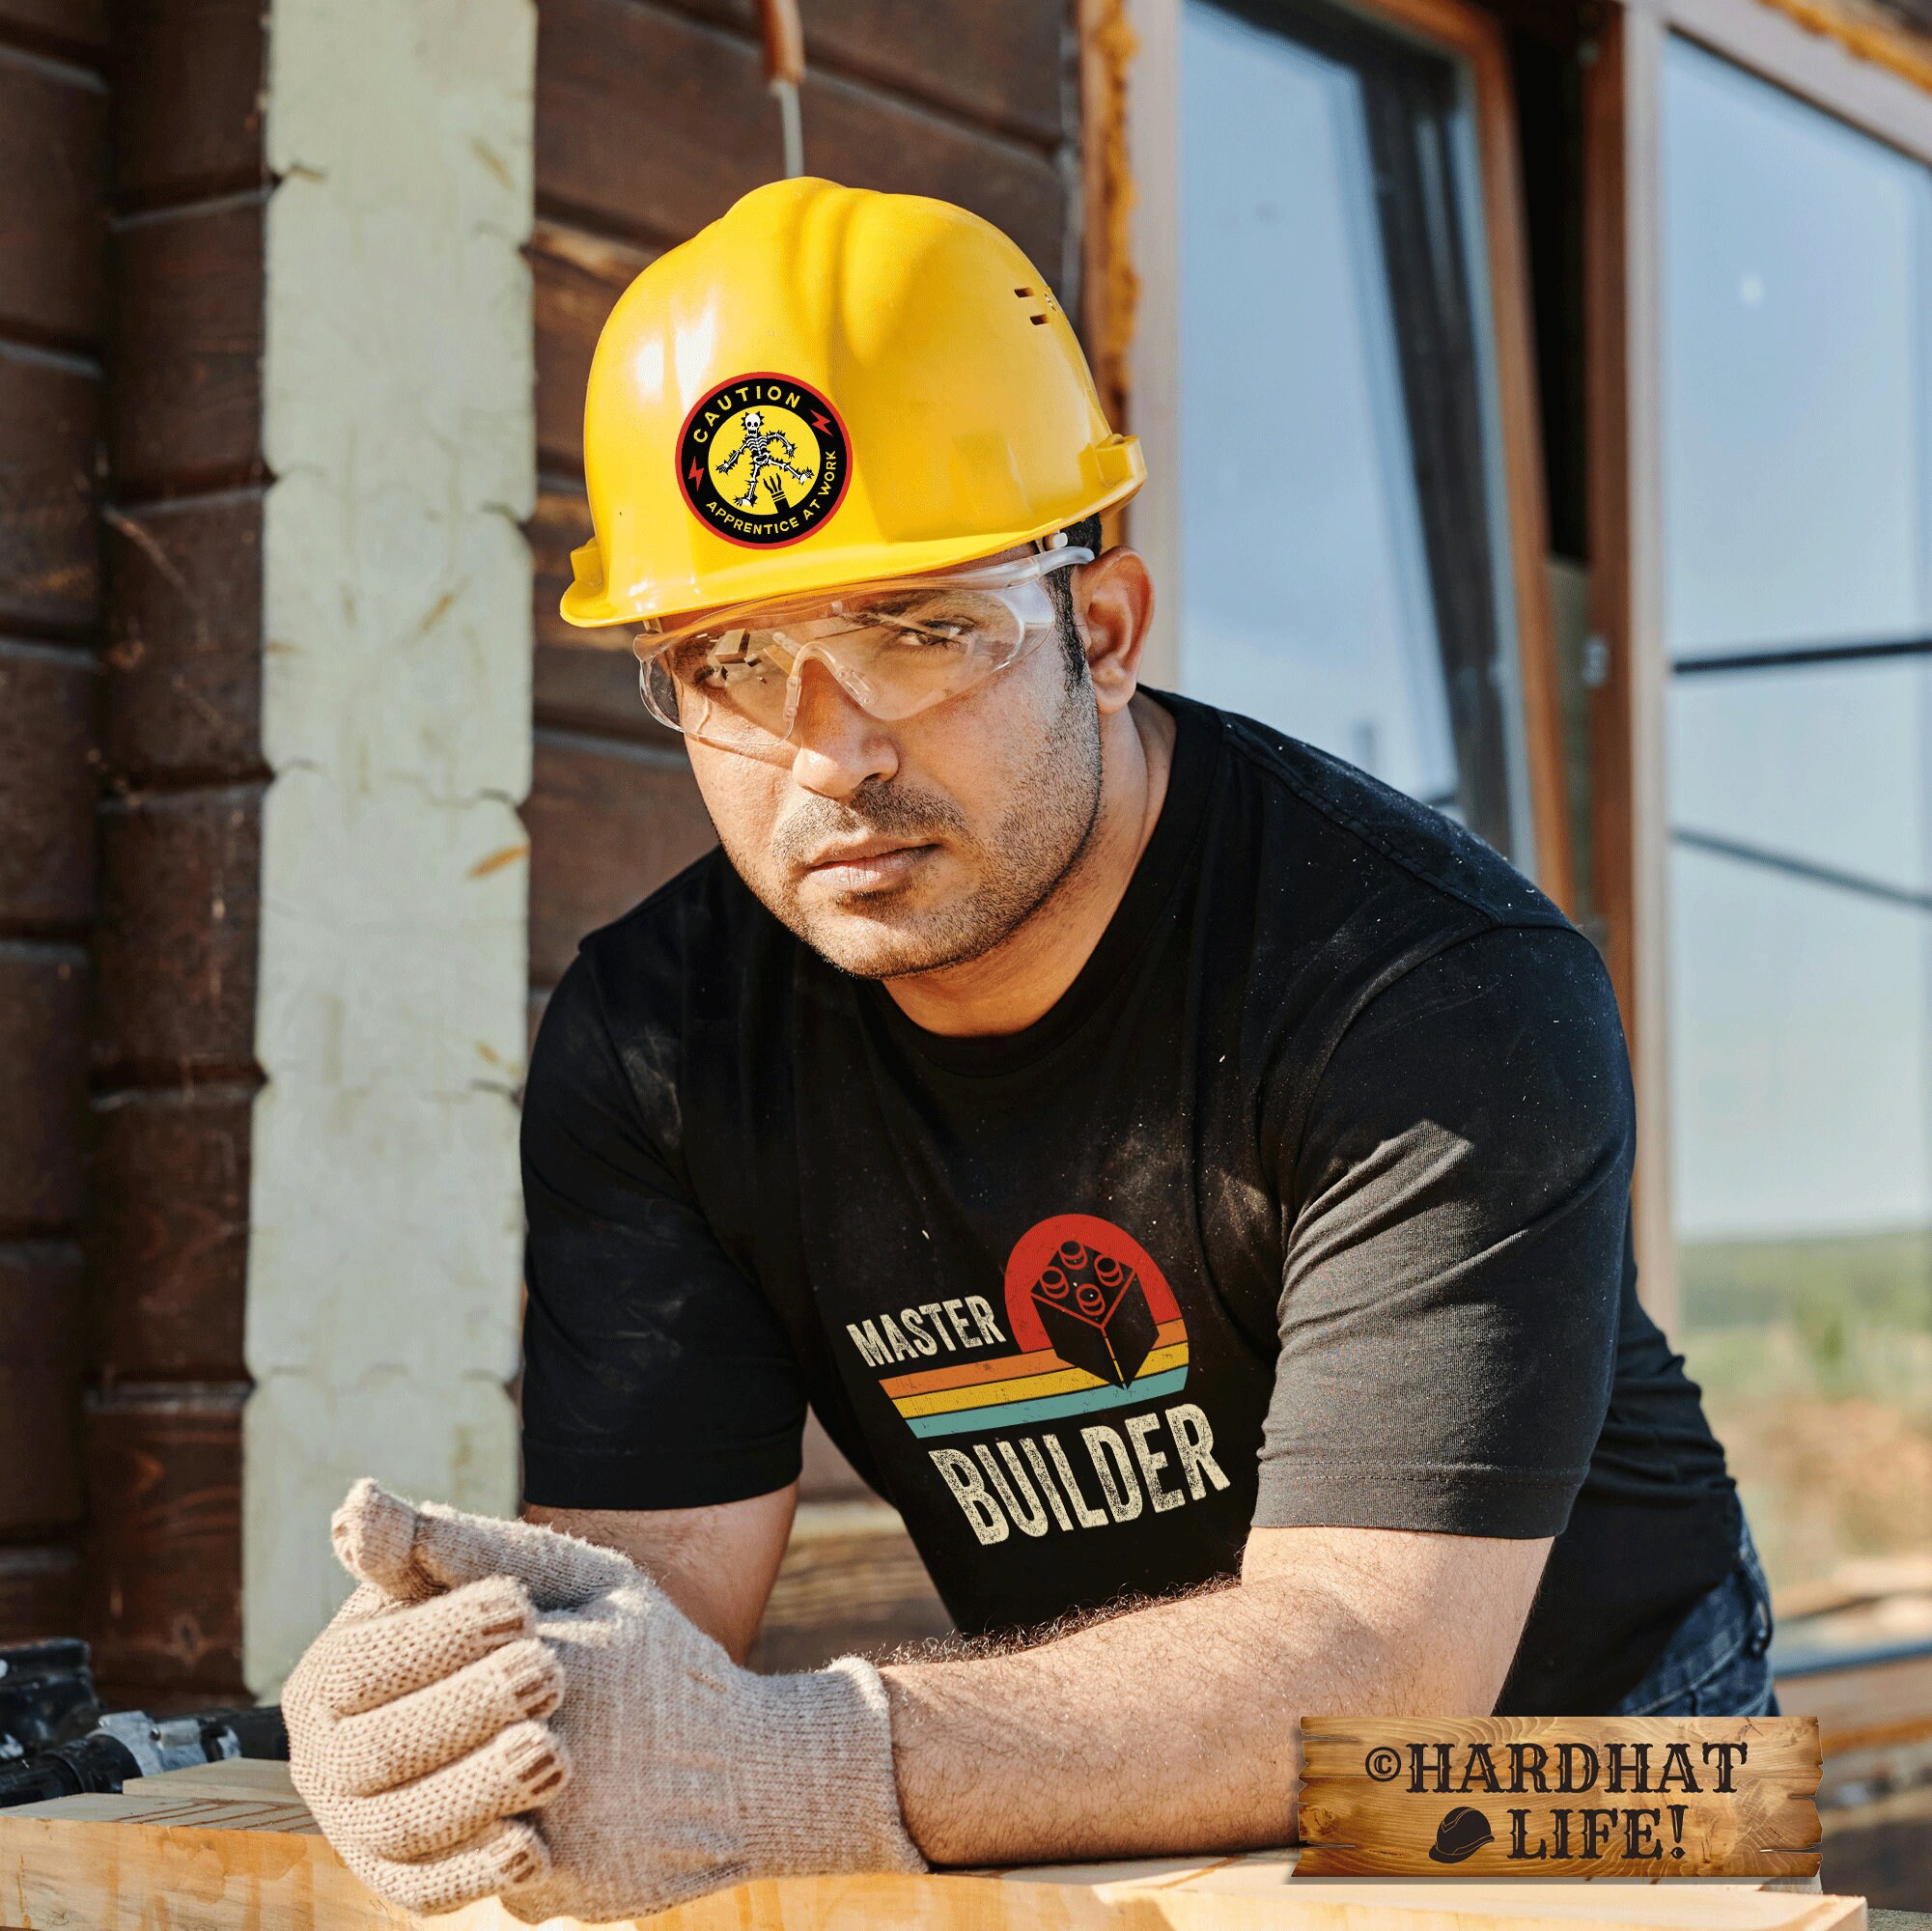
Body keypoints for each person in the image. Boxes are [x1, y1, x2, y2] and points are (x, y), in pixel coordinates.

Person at [282, 178, 1764, 1922]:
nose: (827, 754)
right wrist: (484, 1705)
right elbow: (651, 1607)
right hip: (1107, 1760)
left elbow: (1375, 1675)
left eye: (920, 631)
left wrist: (814, 1758)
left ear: (1106, 630)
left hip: (1568, 1745)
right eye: (729, 660)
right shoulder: (657, 1039)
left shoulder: (1432, 984)